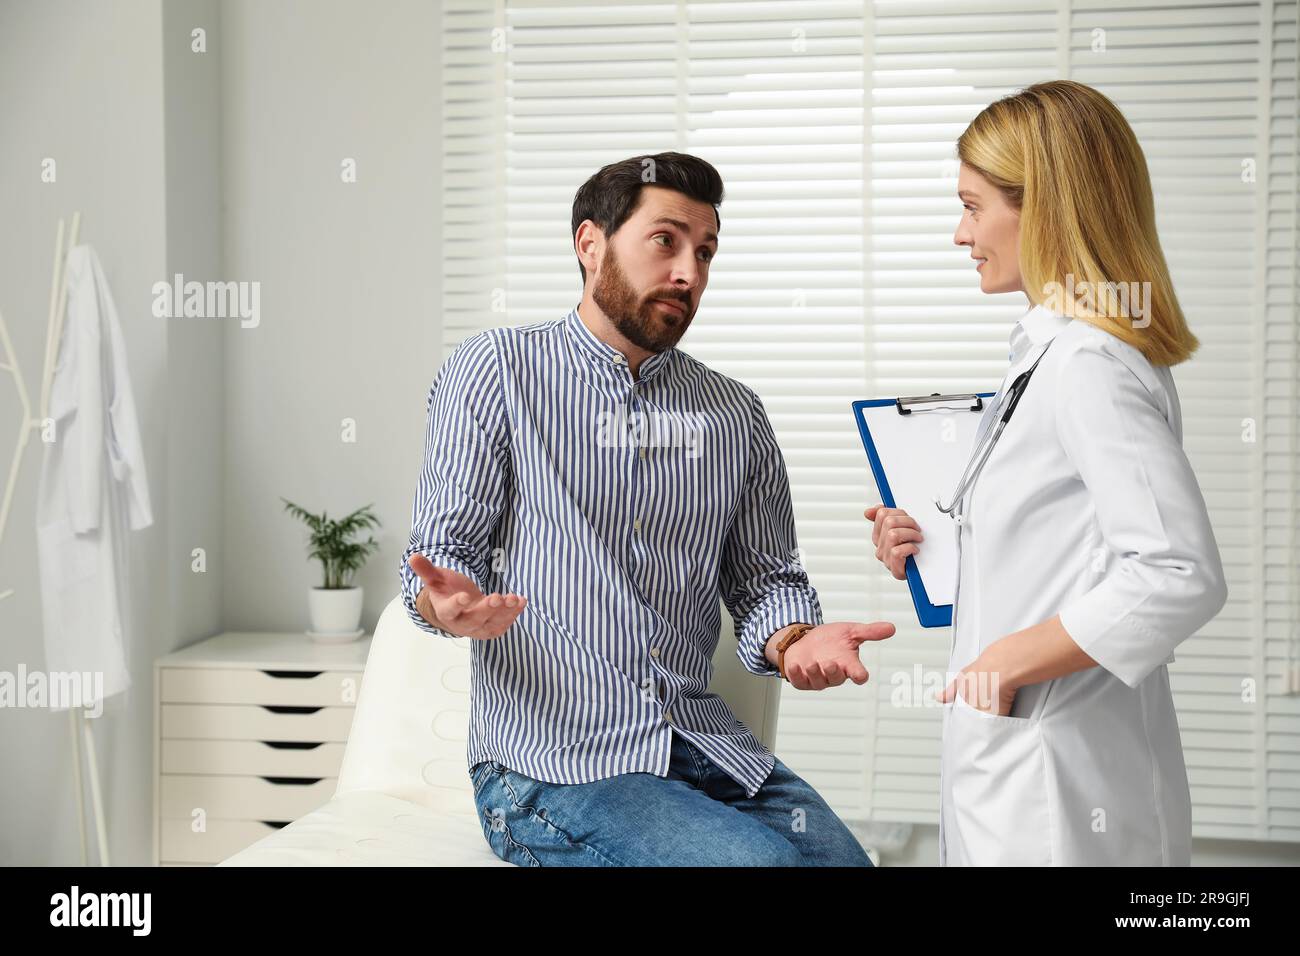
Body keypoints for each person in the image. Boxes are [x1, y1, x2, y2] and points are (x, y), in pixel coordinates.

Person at [401, 151, 894, 866]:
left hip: (702, 746)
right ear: (590, 243)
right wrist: (444, 602)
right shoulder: (497, 371)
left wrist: (795, 641)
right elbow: (442, 554)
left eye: (705, 251)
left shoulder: (735, 414)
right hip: (552, 769)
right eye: (665, 241)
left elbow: (765, 582)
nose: (689, 273)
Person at [866, 80, 1227, 866]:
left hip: (1061, 786)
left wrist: (1003, 660)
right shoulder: (1048, 359)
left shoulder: (1090, 363)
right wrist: (934, 546)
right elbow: (1059, 550)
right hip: (1018, 766)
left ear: (1046, 209)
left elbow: (1177, 571)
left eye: (973, 206)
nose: (960, 233)